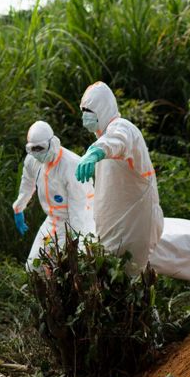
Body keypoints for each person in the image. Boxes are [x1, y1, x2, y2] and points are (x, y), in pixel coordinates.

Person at [74, 81, 163, 273]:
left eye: (89, 110)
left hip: (132, 227)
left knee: (126, 280)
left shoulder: (122, 128)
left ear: (103, 109)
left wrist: (95, 152)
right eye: (83, 110)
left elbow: (117, 140)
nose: (85, 116)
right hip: (114, 229)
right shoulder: (102, 137)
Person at [12, 120, 94, 269]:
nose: (38, 153)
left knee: (67, 269)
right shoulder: (33, 161)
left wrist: (77, 238)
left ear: (52, 143)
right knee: (33, 268)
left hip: (78, 220)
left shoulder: (71, 165)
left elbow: (79, 205)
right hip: (53, 221)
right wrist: (18, 208)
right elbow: (27, 184)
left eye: (40, 148)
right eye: (33, 149)